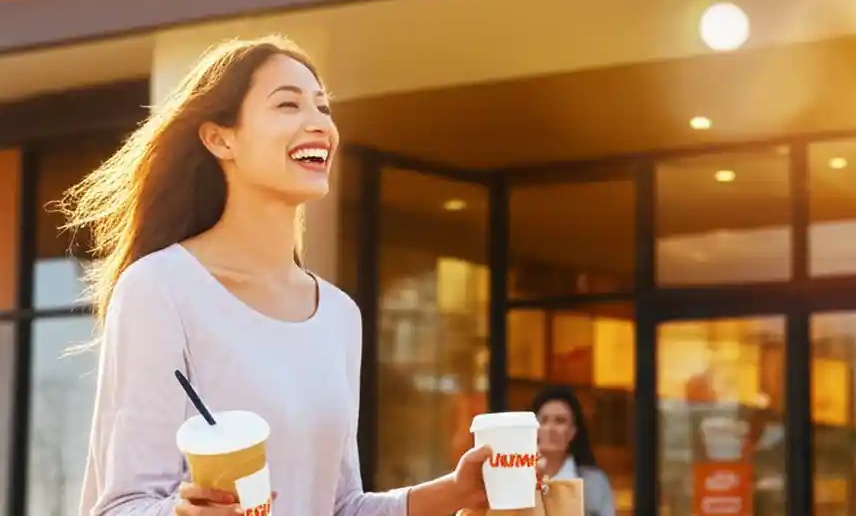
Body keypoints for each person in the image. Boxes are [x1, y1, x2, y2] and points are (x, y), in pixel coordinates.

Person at [71, 36, 494, 515]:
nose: (319, 123)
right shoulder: (161, 289)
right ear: (220, 138)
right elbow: (120, 506)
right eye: (288, 104)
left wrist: (455, 493)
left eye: (323, 107)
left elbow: (338, 506)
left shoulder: (337, 315)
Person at [532, 386, 615, 516]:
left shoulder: (594, 482)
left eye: (560, 421)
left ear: (572, 432)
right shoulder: (521, 478)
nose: (550, 428)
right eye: (544, 420)